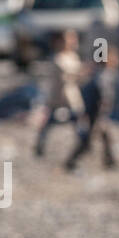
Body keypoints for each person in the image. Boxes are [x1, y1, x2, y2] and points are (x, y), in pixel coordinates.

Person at [65, 46, 118, 171]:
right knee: (87, 141)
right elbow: (101, 97)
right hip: (95, 114)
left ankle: (110, 161)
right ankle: (70, 162)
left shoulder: (99, 74)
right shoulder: (101, 76)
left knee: (105, 137)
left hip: (95, 113)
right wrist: (99, 114)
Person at [34, 29, 84, 158]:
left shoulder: (73, 57)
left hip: (73, 99)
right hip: (58, 98)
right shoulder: (57, 58)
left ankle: (82, 148)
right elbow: (66, 74)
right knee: (48, 125)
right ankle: (40, 148)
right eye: (69, 39)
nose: (73, 42)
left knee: (81, 126)